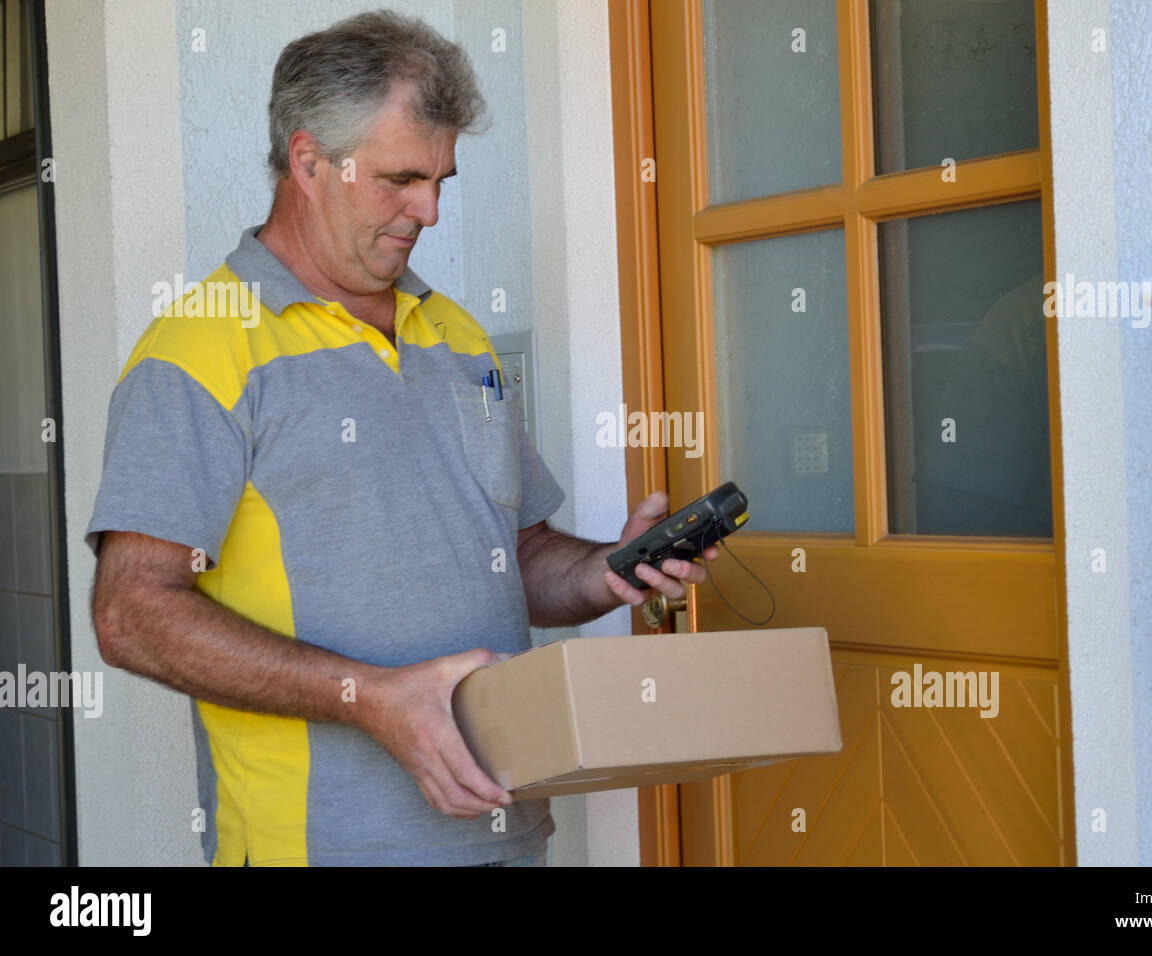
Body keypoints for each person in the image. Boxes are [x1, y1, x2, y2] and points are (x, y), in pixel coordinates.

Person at [87, 9, 714, 867]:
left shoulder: (454, 336)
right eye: (401, 179)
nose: (428, 209)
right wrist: (371, 698)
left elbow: (516, 555)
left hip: (503, 831)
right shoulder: (202, 347)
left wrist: (612, 568)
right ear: (308, 161)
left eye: (441, 181)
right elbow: (130, 613)